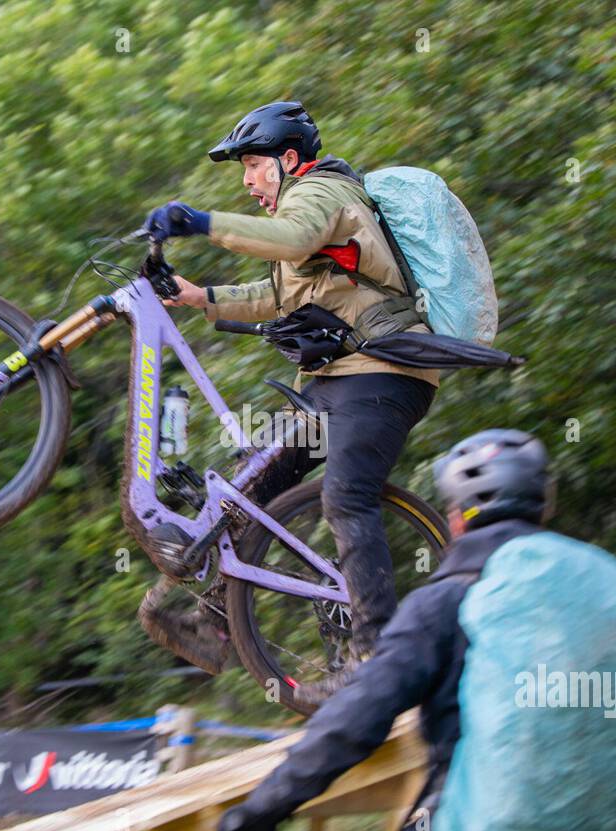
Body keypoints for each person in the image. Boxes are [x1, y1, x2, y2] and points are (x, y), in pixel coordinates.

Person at [139, 101, 441, 707]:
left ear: (290, 161)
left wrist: (199, 222)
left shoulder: (325, 195)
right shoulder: (308, 221)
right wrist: (202, 296)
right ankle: (216, 622)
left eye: (253, 166)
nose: (248, 181)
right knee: (255, 489)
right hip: (332, 381)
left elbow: (291, 238)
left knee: (347, 496)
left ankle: (376, 653)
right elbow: (278, 293)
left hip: (385, 374)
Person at [217, 429, 552, 831]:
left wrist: (260, 811)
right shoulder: (586, 594)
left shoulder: (444, 604)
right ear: (543, 509)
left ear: (456, 521)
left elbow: (356, 718)